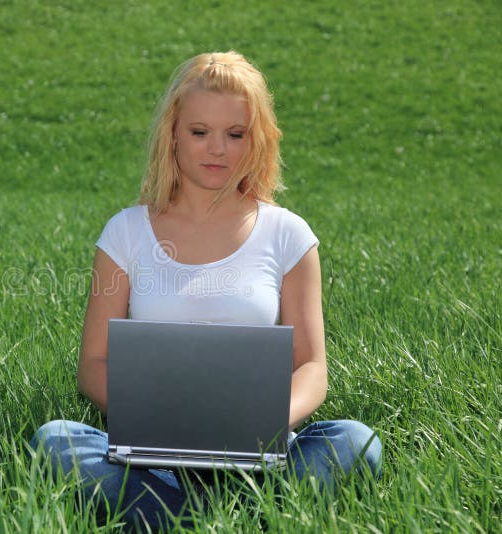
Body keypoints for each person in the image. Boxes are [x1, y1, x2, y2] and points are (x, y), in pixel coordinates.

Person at [30, 51, 382, 529]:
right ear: (172, 134)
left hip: (261, 454)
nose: (217, 149)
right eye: (199, 133)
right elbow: (93, 365)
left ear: (255, 139)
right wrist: (160, 416)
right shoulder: (125, 232)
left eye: (234, 134)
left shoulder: (289, 235)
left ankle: (184, 519)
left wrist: (263, 423)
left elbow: (312, 366)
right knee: (55, 442)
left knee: (355, 443)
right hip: (151, 456)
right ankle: (239, 519)